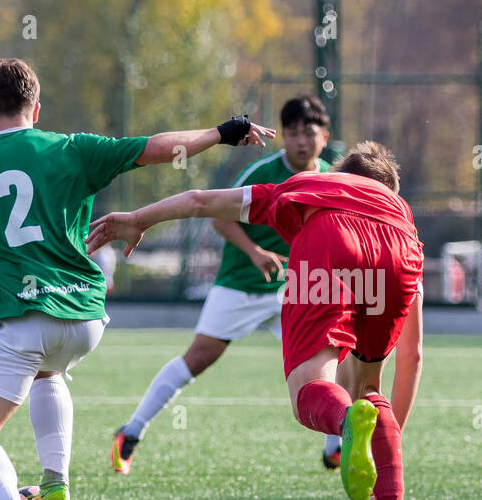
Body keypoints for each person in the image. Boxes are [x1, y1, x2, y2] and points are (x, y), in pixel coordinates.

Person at [0, 57, 273, 500]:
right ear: (36, 108)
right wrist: (222, 131)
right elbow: (159, 148)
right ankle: (55, 488)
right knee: (48, 371)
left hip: (21, 316)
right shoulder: (71, 148)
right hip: (85, 316)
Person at [87, 140, 425, 500]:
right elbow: (412, 356)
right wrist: (389, 450)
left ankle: (344, 423)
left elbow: (199, 201)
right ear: (388, 188)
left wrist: (138, 219)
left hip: (330, 241)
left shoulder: (309, 185)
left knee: (311, 388)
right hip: (396, 254)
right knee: (370, 391)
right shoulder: (401, 213)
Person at [111, 94, 341, 475]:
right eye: (294, 133)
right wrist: (253, 251)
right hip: (240, 284)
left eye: (310, 132)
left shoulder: (333, 177)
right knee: (197, 359)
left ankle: (335, 445)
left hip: (296, 290)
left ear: (325, 135)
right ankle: (131, 431)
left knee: (329, 358)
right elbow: (218, 219)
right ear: (283, 136)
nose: (302, 141)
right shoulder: (262, 173)